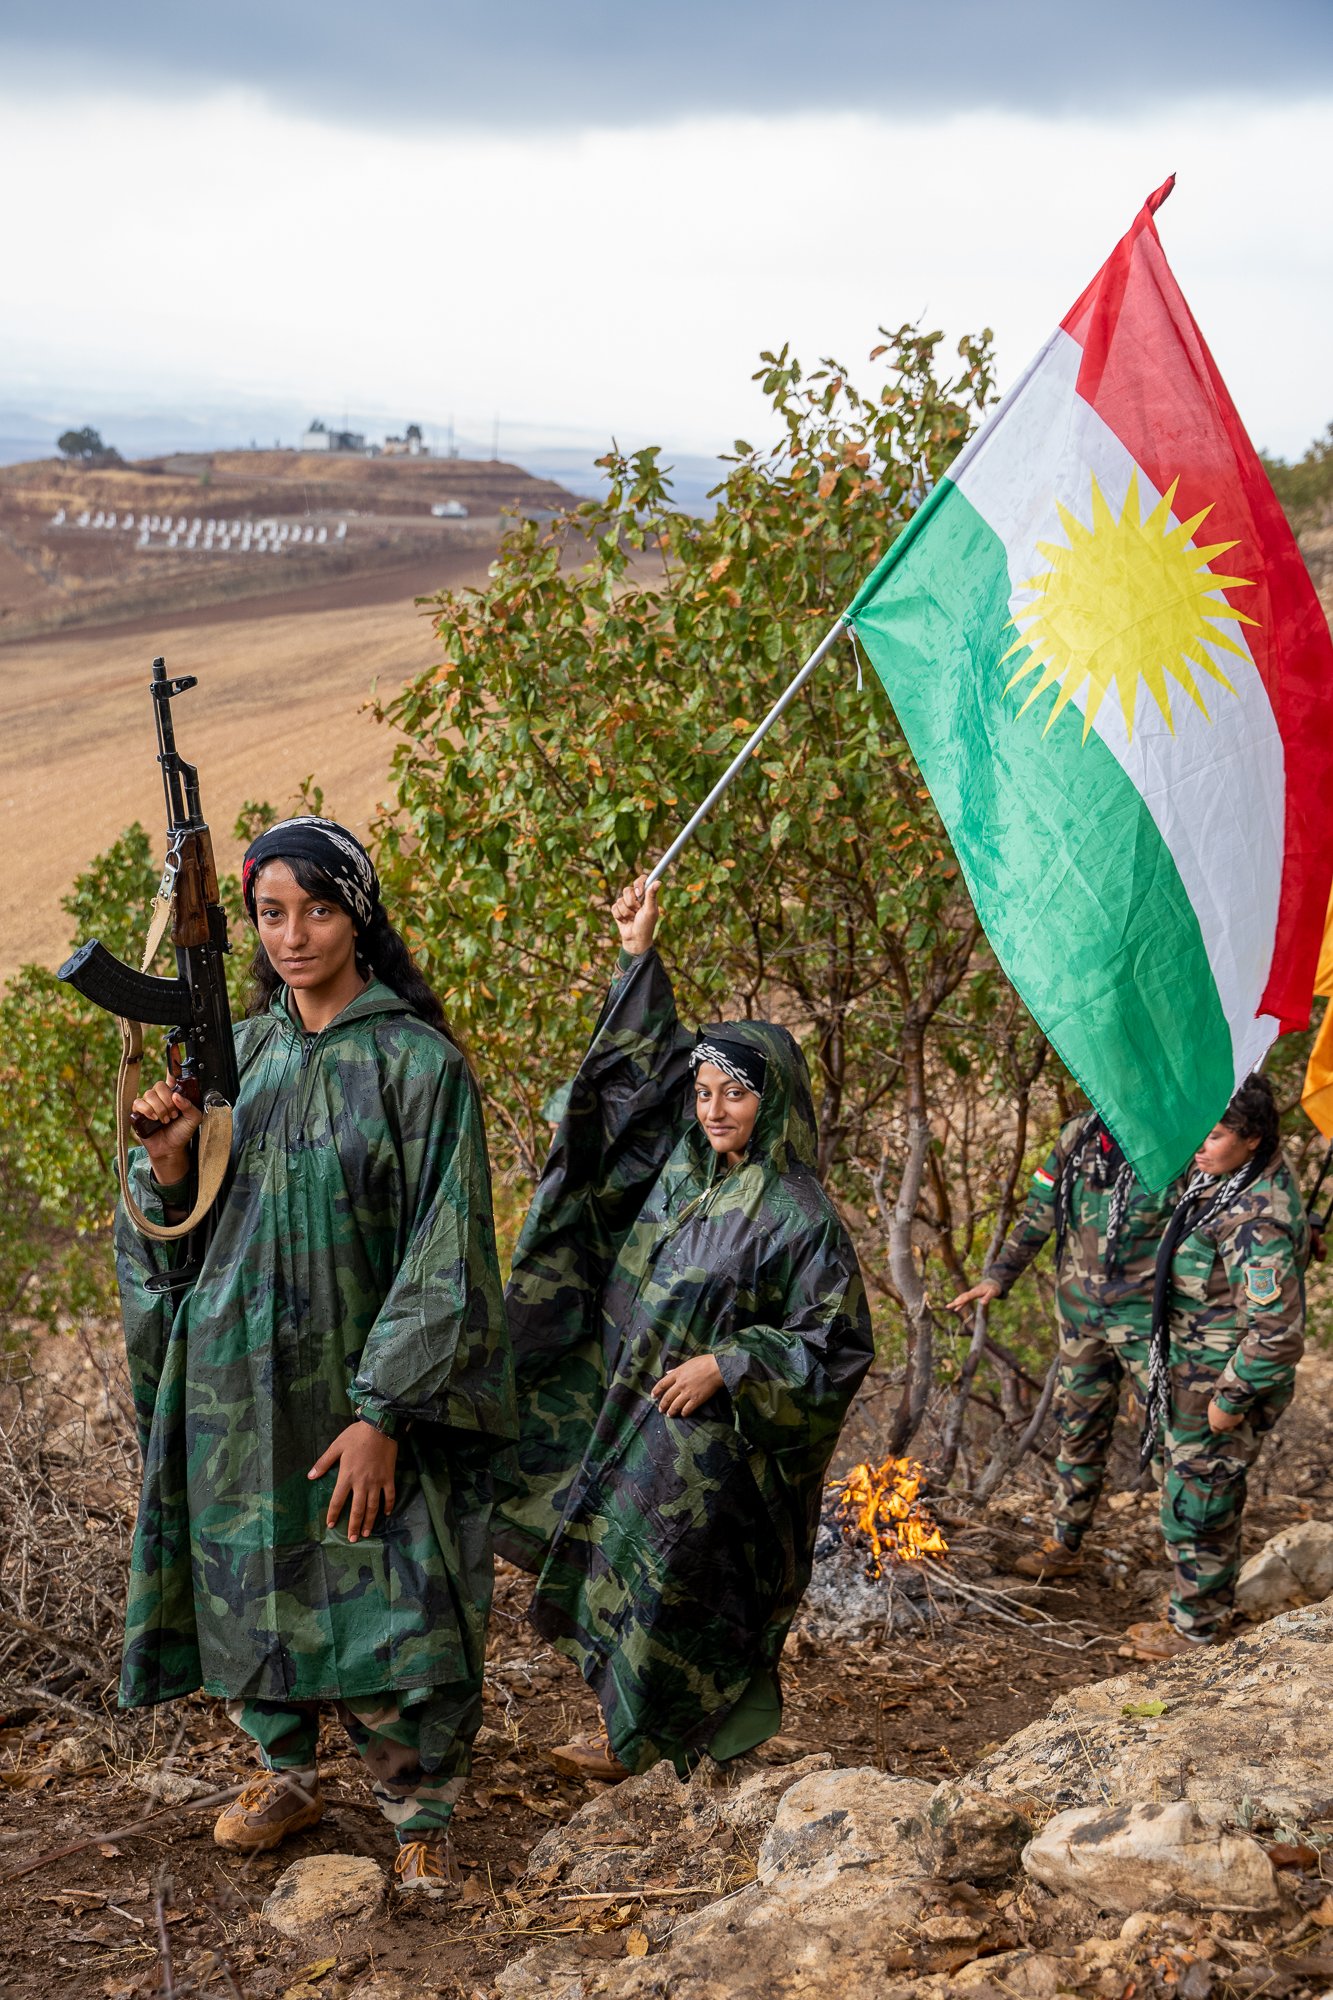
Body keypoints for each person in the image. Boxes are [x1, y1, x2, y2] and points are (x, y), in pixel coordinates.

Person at [114, 816, 514, 1894]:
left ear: (359, 917)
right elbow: (179, 1243)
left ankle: (419, 1807)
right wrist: (168, 1163)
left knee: (399, 1581)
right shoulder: (234, 1060)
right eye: (270, 913)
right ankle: (285, 1771)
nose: (293, 936)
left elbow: (446, 1254)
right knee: (256, 1572)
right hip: (239, 1385)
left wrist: (382, 1412)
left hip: (366, 1390)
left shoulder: (418, 1065)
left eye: (319, 910)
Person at [494, 874, 874, 1779]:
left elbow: (837, 1345)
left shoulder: (797, 1213)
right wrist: (637, 953)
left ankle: (700, 1751)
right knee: (621, 1576)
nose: (711, 1110)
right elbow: (636, 1082)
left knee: (685, 1591)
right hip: (634, 1419)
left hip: (718, 1457)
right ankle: (631, 1735)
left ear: (773, 1098)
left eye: (732, 1095)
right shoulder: (680, 1173)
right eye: (704, 1093)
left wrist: (731, 1365)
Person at [1123, 1074, 1308, 1661]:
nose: (1200, 1144)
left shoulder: (1256, 1219)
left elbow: (1277, 1333)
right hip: (1188, 1370)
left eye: (1217, 1134)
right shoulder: (1227, 1179)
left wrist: (1230, 1399)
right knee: (1193, 1490)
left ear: (1253, 1139)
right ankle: (1197, 1608)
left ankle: (1194, 1634)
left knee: (1200, 1502)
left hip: (1219, 1380)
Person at [948, 1114, 1181, 1578]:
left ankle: (1185, 1564)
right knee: (1078, 1427)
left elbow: (1214, 1212)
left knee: (1167, 1435)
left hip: (1149, 1321)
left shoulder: (1173, 1135)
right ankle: (1065, 1543)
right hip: (1081, 1318)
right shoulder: (1078, 1137)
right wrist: (998, 1277)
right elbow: (1040, 1210)